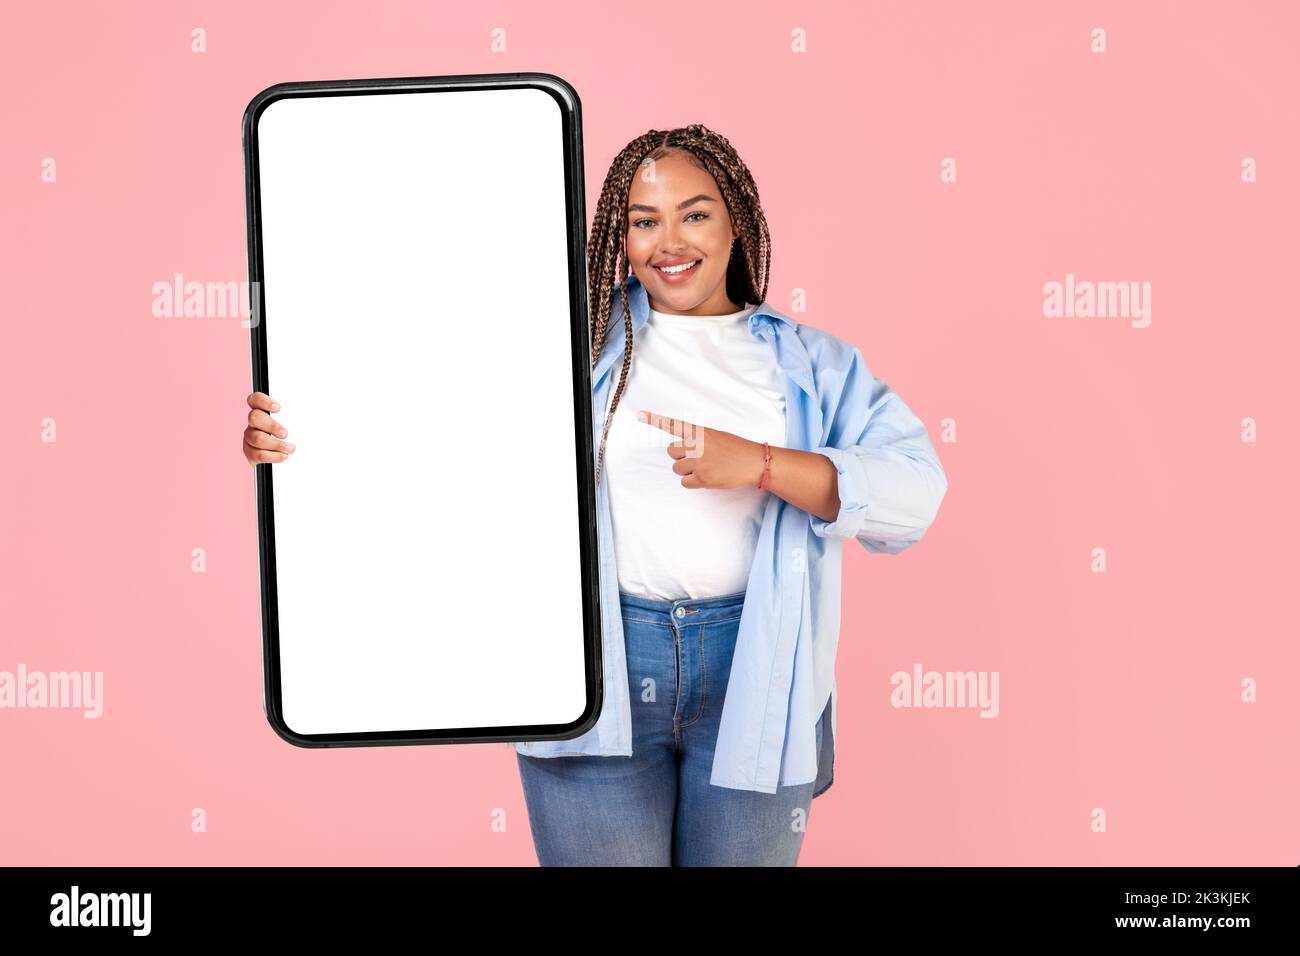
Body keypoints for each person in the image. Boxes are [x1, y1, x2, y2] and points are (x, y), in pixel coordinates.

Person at [243, 123, 948, 867]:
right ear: (622, 231)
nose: (668, 242)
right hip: (593, 667)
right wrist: (293, 437)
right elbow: (431, 431)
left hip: (757, 668)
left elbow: (915, 494)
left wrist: (763, 465)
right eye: (644, 221)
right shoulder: (566, 340)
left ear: (736, 219)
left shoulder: (815, 363)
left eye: (695, 213)